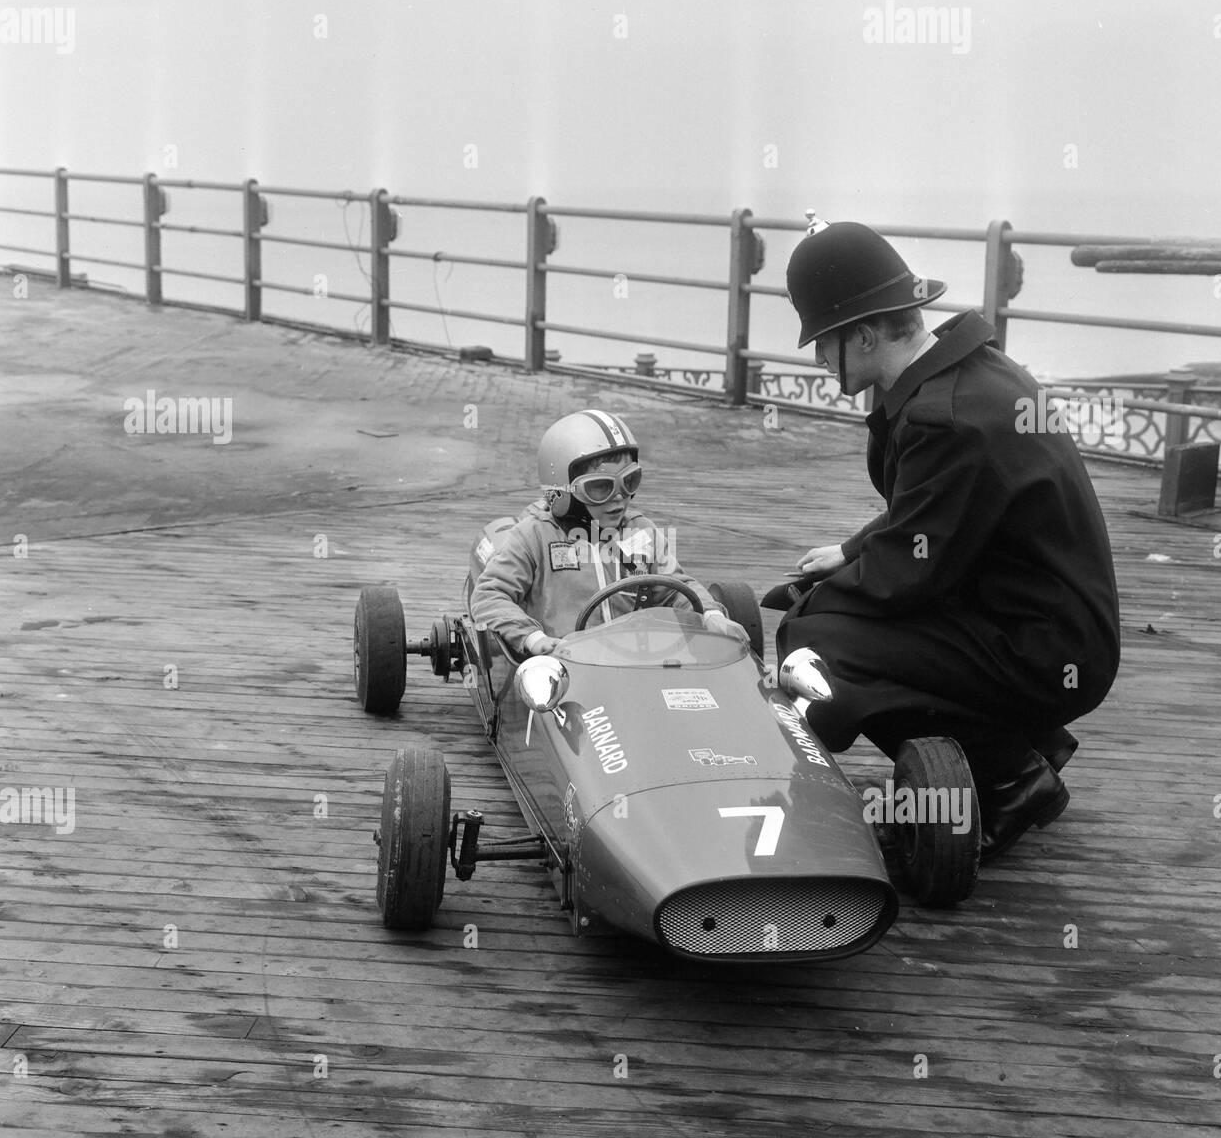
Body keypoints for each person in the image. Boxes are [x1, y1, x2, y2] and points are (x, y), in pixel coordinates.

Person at [766, 219, 1120, 860]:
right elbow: (943, 513)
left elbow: (908, 570)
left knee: (814, 643)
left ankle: (1013, 776)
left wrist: (807, 603)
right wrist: (850, 553)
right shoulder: (970, 372)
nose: (818, 359)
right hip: (1049, 620)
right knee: (834, 614)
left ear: (867, 334)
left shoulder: (942, 417)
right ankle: (1029, 739)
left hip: (1044, 648)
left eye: (824, 341)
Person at [470, 408, 747, 655]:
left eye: (629, 481)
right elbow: (489, 595)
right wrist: (532, 637)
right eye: (601, 487)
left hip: (635, 661)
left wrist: (710, 614)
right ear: (563, 492)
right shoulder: (534, 536)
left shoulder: (641, 532)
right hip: (564, 663)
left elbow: (676, 588)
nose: (619, 498)